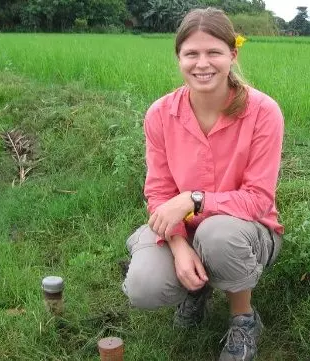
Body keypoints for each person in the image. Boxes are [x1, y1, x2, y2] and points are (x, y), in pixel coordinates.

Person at [122, 7, 284, 361]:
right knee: (143, 286)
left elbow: (257, 200)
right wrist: (178, 246)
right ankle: (195, 289)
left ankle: (243, 318)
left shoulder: (263, 112)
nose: (202, 63)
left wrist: (194, 199)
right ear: (179, 57)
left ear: (232, 55)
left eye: (214, 52)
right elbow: (159, 192)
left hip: (247, 233)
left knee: (217, 234)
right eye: (191, 53)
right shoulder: (161, 114)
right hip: (186, 231)